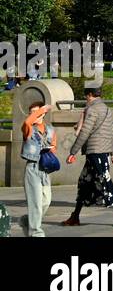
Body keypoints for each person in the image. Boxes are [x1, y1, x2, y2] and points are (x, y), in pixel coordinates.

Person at [62, 85, 113, 227]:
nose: (86, 98)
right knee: (84, 182)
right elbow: (110, 132)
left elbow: (85, 132)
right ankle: (75, 216)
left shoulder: (92, 109)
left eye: (86, 96)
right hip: (102, 151)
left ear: (90, 95)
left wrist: (73, 152)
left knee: (104, 181)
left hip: (95, 151)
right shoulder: (106, 108)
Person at [20, 101, 57, 236]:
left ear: (44, 114)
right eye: (31, 113)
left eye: (36, 112)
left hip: (45, 168)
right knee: (35, 202)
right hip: (32, 167)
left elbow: (54, 146)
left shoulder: (50, 129)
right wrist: (40, 110)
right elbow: (27, 122)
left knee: (46, 201)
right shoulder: (28, 128)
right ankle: (36, 233)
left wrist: (50, 150)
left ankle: (27, 221)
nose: (33, 115)